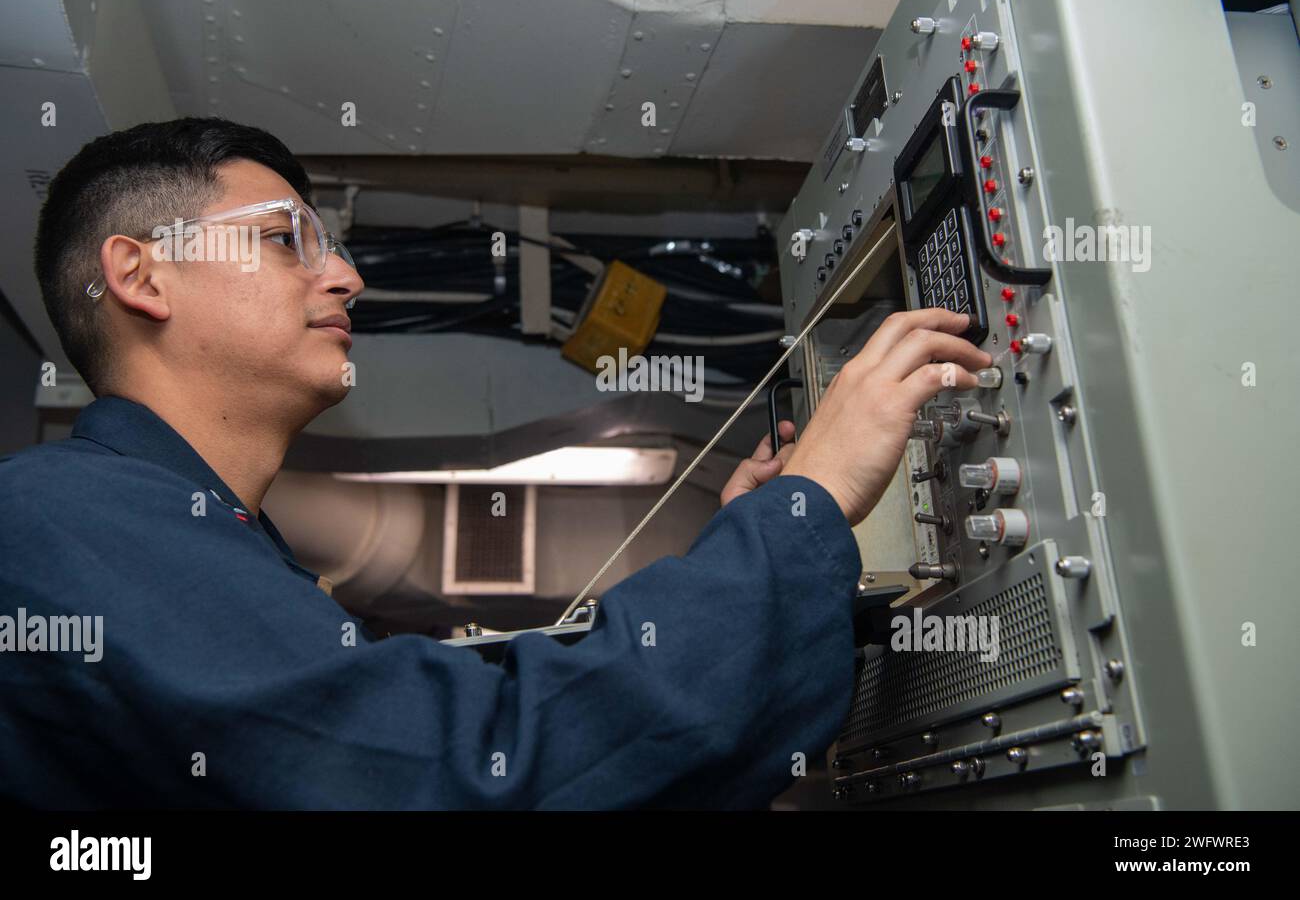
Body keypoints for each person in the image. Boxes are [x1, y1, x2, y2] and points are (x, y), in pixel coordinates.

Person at [0, 118, 991, 808]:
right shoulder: (61, 519)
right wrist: (805, 507)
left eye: (331, 244)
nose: (343, 273)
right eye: (284, 239)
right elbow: (457, 771)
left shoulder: (190, 539)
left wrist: (747, 547)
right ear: (141, 273)